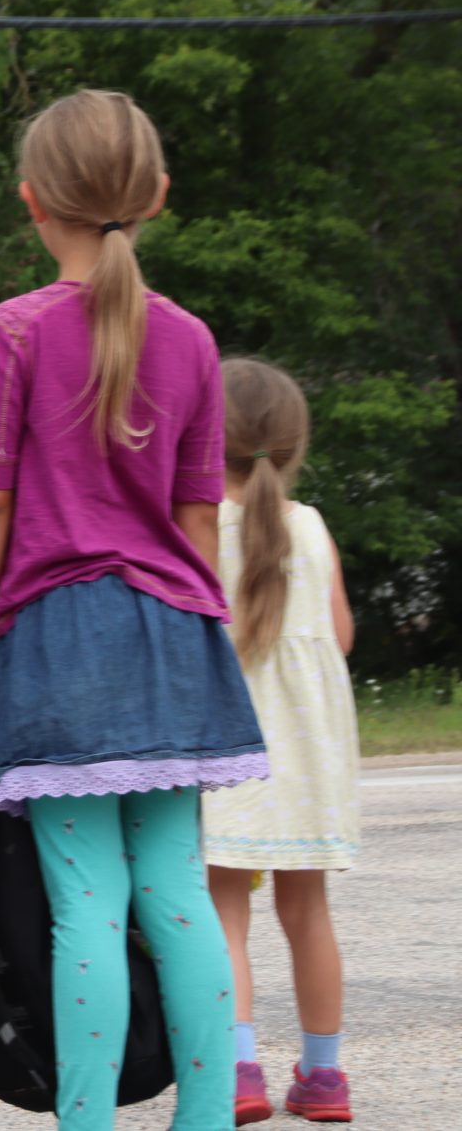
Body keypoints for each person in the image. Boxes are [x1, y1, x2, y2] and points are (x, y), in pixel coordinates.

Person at [0, 88, 268, 1131]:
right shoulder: (192, 342)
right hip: (173, 633)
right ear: (155, 195)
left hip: (61, 637)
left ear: (33, 202)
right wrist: (198, 637)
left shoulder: (13, 333)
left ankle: (87, 1122)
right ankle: (204, 1116)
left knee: (85, 900)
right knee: (175, 890)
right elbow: (195, 516)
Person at [202, 358, 359, 1125]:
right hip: (309, 760)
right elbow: (340, 635)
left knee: (224, 913)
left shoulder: (197, 525)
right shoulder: (312, 526)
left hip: (230, 750)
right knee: (310, 913)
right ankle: (324, 1077)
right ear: (292, 445)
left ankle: (240, 1071)